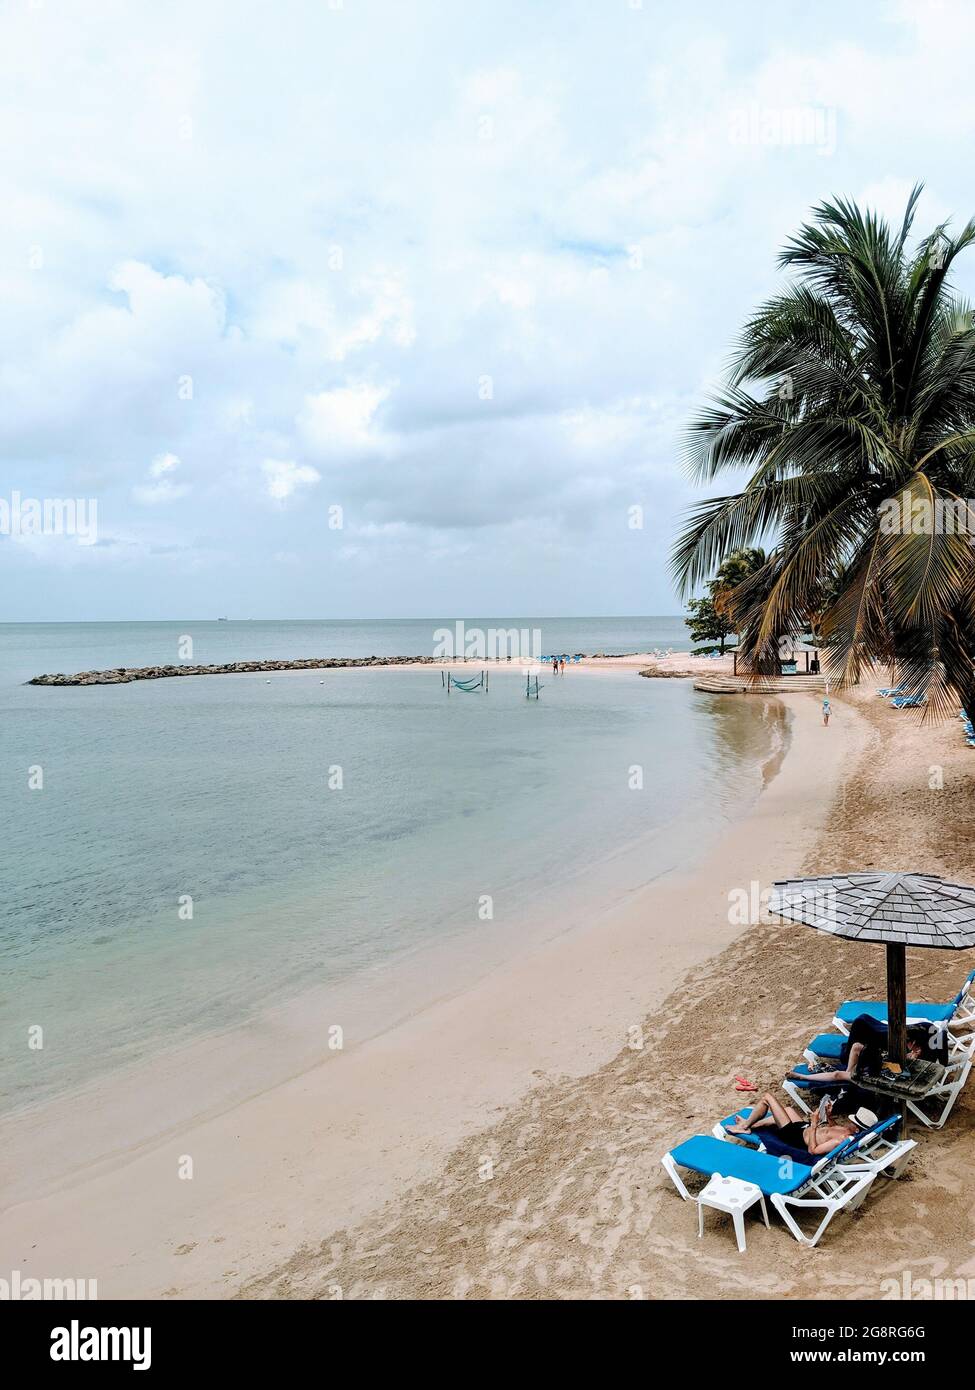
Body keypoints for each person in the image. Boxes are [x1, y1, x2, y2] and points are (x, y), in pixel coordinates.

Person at [727, 1092, 877, 1156]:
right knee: (788, 1109)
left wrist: (813, 1125)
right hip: (803, 1127)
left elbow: (813, 1151)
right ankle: (750, 1125)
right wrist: (829, 1116)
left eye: (853, 1121)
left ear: (857, 1129)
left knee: (767, 1098)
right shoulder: (846, 1131)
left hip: (794, 1136)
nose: (849, 1120)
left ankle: (745, 1126)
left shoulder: (840, 1141)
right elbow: (830, 1130)